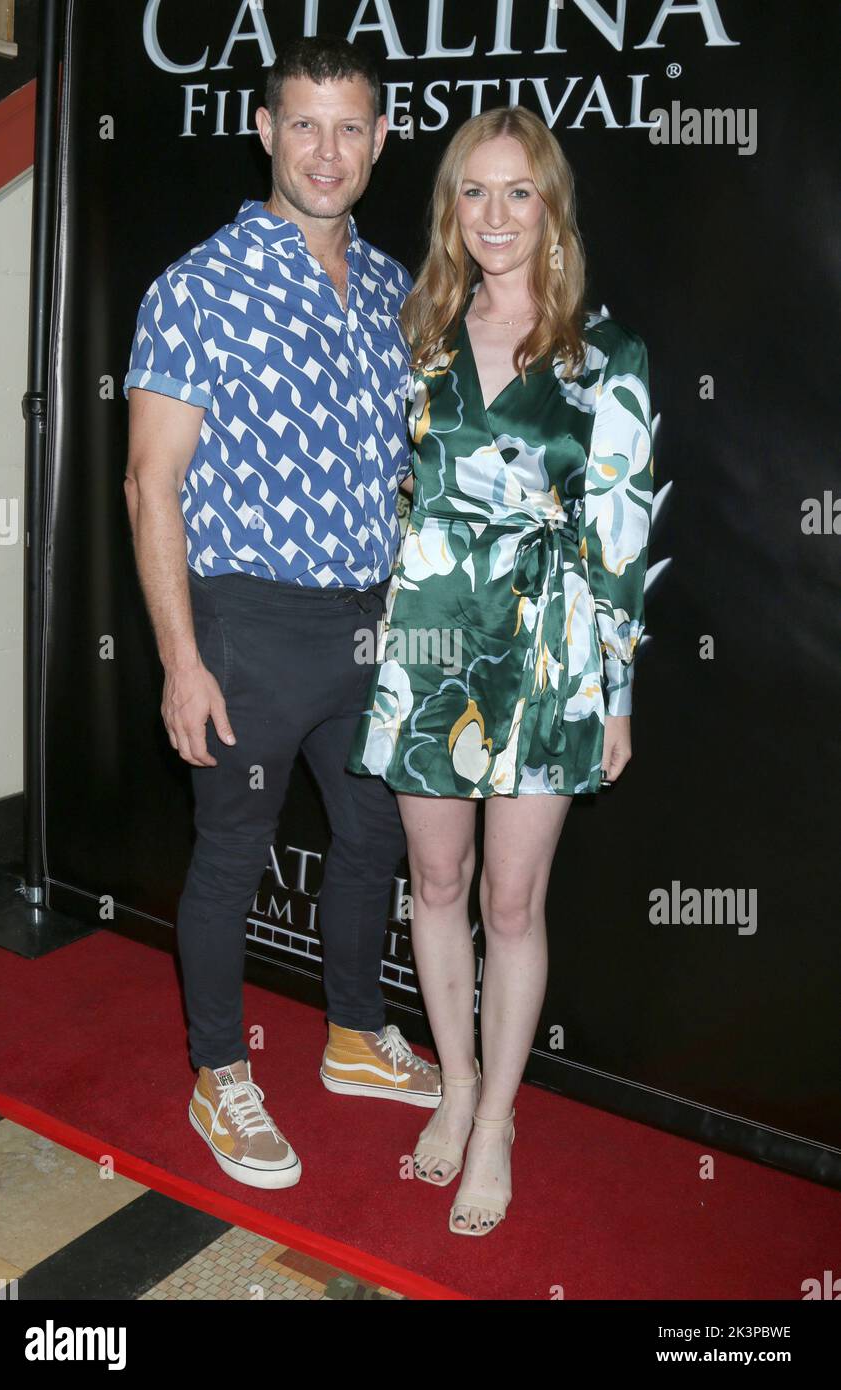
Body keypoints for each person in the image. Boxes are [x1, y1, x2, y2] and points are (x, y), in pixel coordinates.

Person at [122, 37, 441, 1192]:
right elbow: (148, 482)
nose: (325, 149)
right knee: (229, 858)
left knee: (371, 838)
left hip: (368, 627)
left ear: (378, 142)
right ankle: (220, 1075)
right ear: (264, 131)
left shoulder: (401, 290)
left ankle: (354, 1033)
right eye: (302, 123)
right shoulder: (196, 285)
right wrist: (179, 658)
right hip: (246, 624)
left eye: (349, 127)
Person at [347, 106, 654, 1235]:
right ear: (449, 208)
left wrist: (613, 692)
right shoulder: (414, 334)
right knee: (431, 887)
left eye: (515, 191)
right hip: (428, 642)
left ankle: (495, 1120)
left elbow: (617, 542)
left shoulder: (603, 359)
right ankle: (456, 1076)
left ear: (550, 206)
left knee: (508, 898)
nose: (492, 215)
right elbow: (382, 499)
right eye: (471, 193)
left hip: (549, 657)